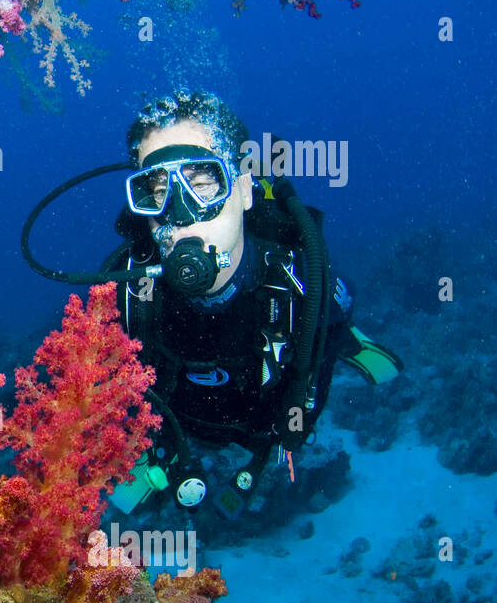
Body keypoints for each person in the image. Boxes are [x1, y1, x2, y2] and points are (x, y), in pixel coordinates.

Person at [103, 91, 401, 516]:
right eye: (157, 190)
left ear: (243, 191)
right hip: (185, 426)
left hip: (264, 420)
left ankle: (347, 342)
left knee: (330, 324)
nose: (182, 215)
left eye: (203, 183)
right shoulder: (126, 294)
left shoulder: (300, 280)